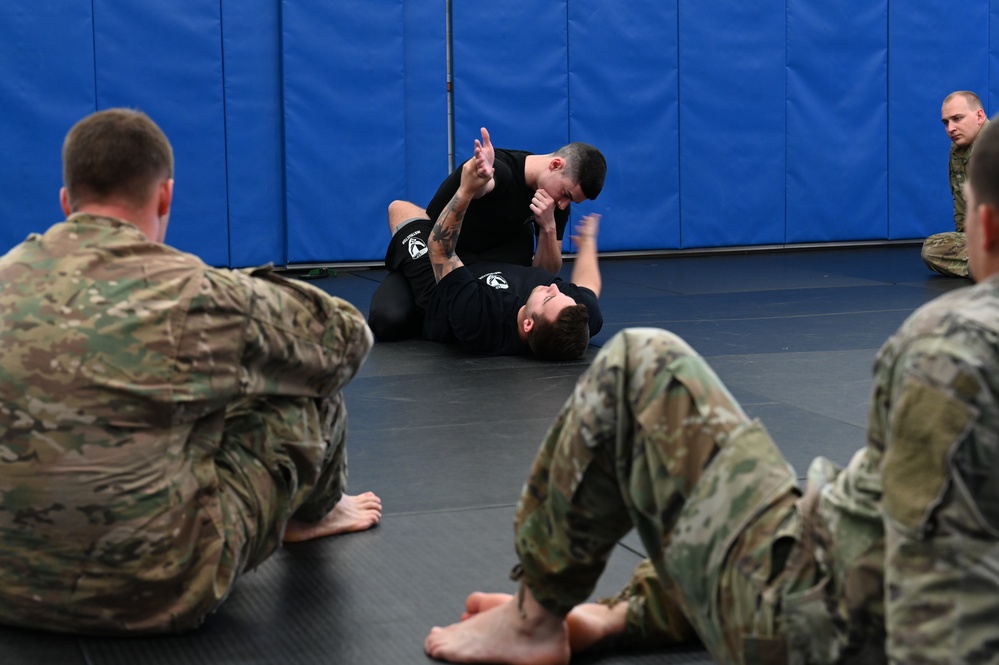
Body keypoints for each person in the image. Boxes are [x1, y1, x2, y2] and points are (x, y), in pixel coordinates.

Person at [425, 119, 999, 665]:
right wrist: (628, 616)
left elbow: (874, 573)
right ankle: (615, 618)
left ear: (987, 227)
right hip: (894, 606)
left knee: (640, 363)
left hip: (829, 633)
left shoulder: (956, 342)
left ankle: (534, 619)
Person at [0, 109, 382, 635]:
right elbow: (346, 342)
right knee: (304, 386)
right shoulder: (191, 291)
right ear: (164, 197)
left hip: (10, 588)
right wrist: (254, 289)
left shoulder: (6, 277)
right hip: (156, 592)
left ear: (67, 203)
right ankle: (317, 513)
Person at [383, 128, 603, 360]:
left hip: (451, 262)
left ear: (528, 325)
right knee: (388, 316)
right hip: (460, 248)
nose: (563, 205)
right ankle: (423, 225)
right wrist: (480, 178)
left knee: (387, 317)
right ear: (555, 165)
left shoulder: (479, 317)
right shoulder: (505, 170)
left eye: (570, 200)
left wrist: (548, 227)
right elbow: (491, 184)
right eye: (566, 194)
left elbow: (440, 248)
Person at [922, 90, 989, 278]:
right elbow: (962, 209)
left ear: (979, 116)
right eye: (946, 122)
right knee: (932, 249)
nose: (950, 128)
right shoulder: (958, 151)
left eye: (957, 119)